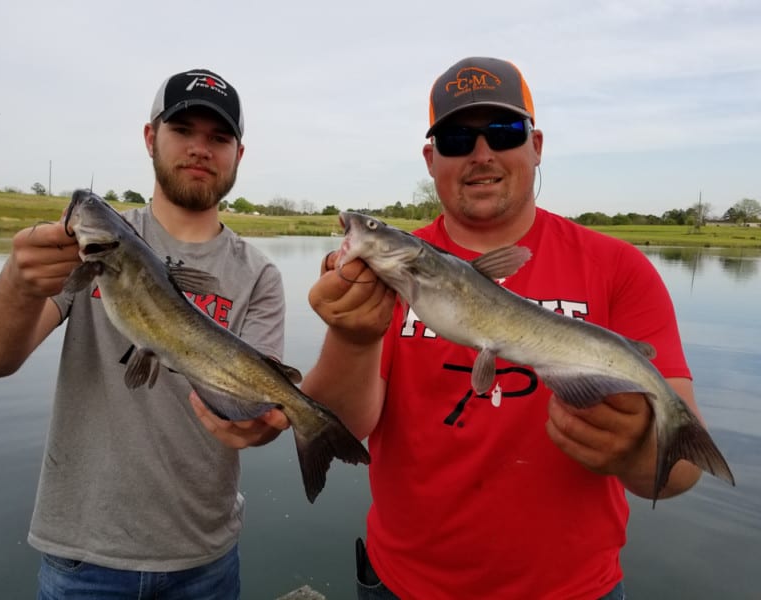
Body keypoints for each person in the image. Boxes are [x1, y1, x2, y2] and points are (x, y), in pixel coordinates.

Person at [300, 56, 706, 600]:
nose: (482, 153)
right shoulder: (383, 281)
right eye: (457, 139)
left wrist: (635, 452)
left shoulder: (620, 268)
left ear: (536, 145)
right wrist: (352, 335)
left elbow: (680, 475)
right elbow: (341, 428)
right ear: (430, 158)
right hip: (403, 587)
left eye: (504, 131)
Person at [0, 68, 290, 599]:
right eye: (183, 129)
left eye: (218, 137)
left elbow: (256, 405)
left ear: (238, 154)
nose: (200, 148)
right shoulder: (83, 253)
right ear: (150, 137)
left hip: (204, 559)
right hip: (83, 556)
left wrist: (268, 423)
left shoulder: (259, 275)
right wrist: (16, 286)